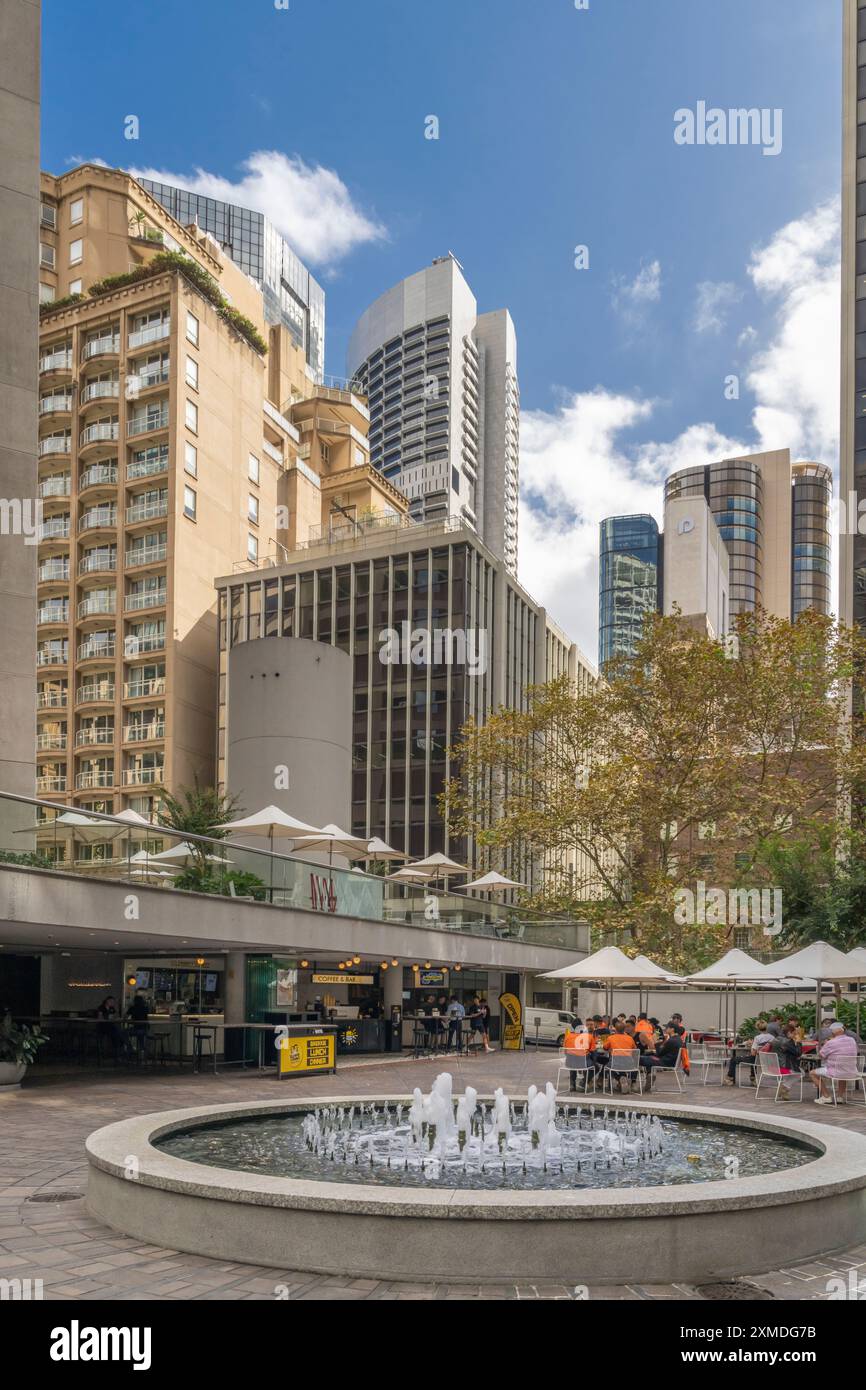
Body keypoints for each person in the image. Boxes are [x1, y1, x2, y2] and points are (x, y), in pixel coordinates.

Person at [810, 1021, 859, 1104]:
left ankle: (826, 1096)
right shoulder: (852, 1040)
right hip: (851, 1071)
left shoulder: (831, 1043)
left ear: (832, 1032)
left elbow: (821, 1055)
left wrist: (825, 1044)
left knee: (812, 1073)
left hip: (835, 1072)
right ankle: (840, 1097)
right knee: (842, 1071)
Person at [601, 1020, 638, 1091]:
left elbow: (605, 1047)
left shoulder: (611, 1038)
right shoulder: (630, 1038)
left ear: (615, 1029)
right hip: (629, 1064)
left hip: (615, 1063)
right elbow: (635, 1050)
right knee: (619, 1065)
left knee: (607, 1067)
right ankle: (623, 1079)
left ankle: (620, 1078)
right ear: (624, 1029)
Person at [771, 1023, 803, 1100]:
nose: (795, 1035)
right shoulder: (787, 1042)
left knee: (788, 1076)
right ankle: (784, 1087)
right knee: (801, 1073)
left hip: (774, 1066)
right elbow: (798, 1053)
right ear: (789, 1033)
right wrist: (799, 1042)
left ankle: (783, 1091)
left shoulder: (776, 1039)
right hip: (784, 1067)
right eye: (794, 1034)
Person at [563, 1020, 596, 1092]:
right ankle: (583, 1083)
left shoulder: (568, 1036)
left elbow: (565, 1051)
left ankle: (572, 1083)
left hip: (569, 1062)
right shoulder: (589, 1036)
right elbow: (593, 1051)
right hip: (583, 1063)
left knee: (573, 1060)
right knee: (595, 1066)